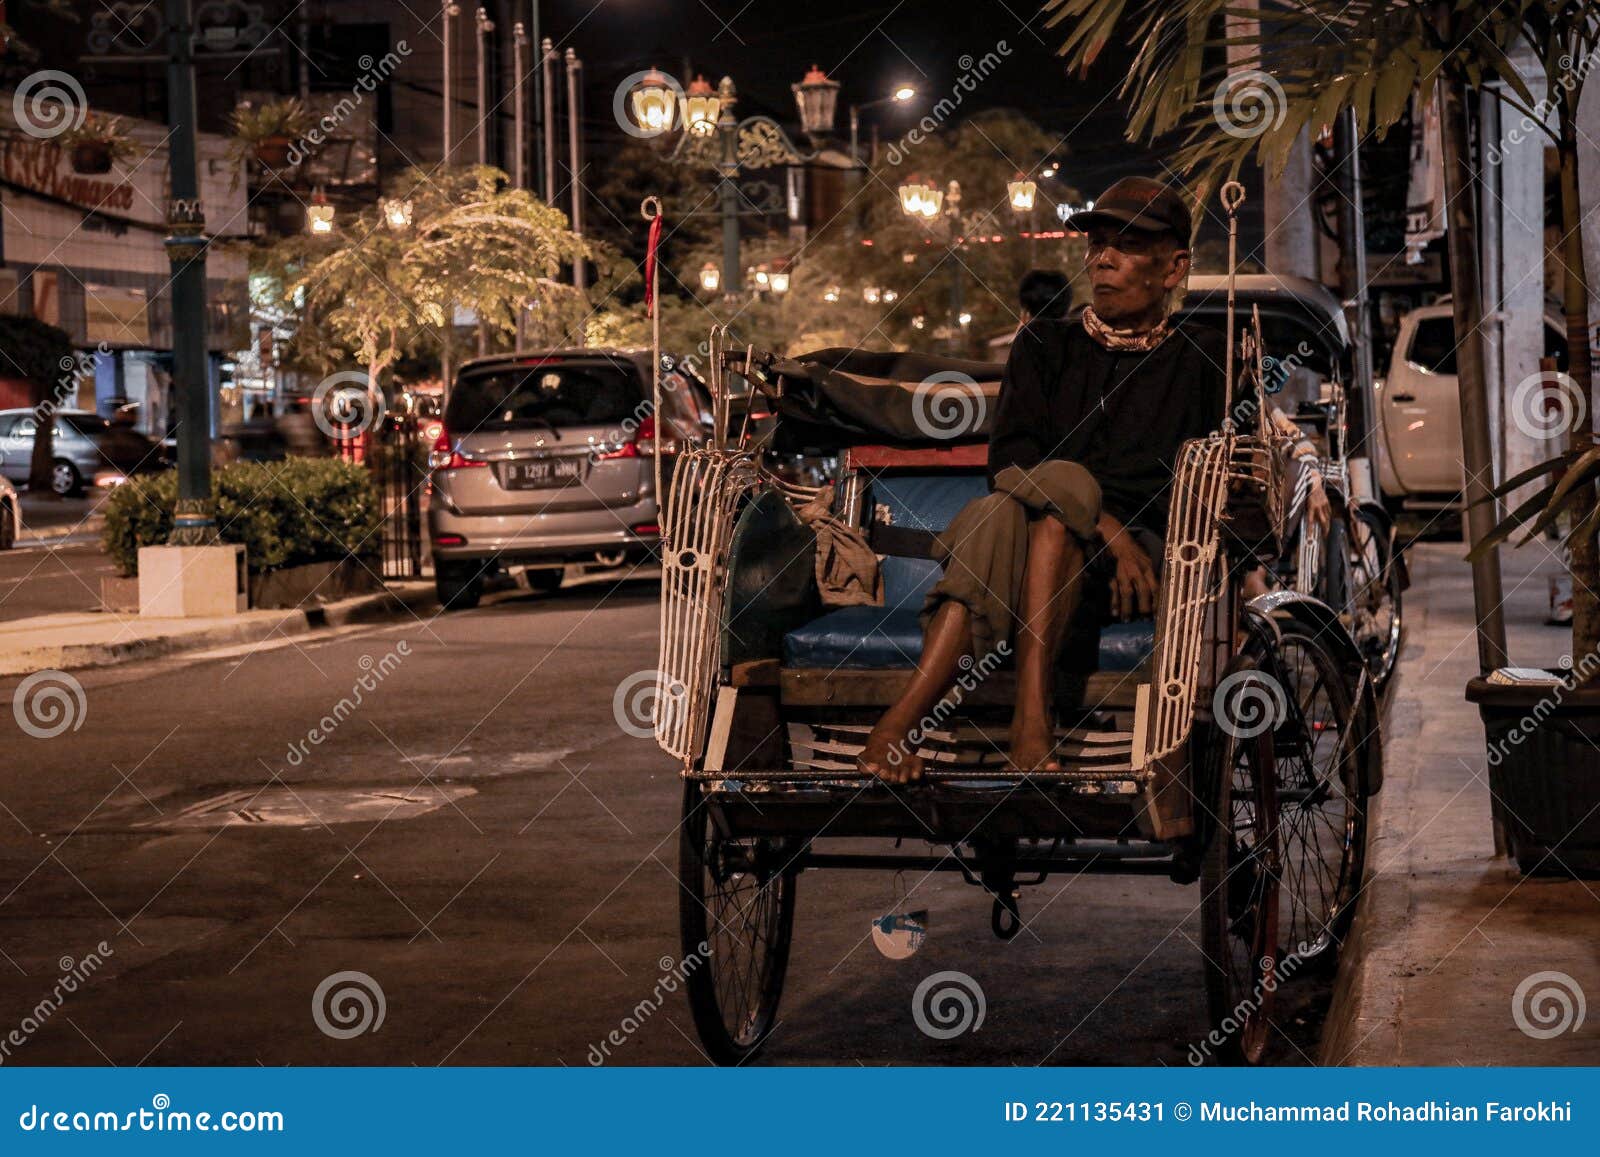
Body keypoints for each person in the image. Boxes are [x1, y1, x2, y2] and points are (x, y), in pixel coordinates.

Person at [858, 177, 1229, 782]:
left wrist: (1117, 533)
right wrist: (1105, 526)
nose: (1101, 259)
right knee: (1023, 508)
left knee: (1018, 514)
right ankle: (1030, 724)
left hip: (1142, 563)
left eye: (1126, 246)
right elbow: (1011, 462)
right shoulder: (1045, 343)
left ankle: (898, 725)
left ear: (1173, 267)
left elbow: (1217, 474)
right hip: (1077, 540)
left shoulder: (1203, 354)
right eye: (1097, 244)